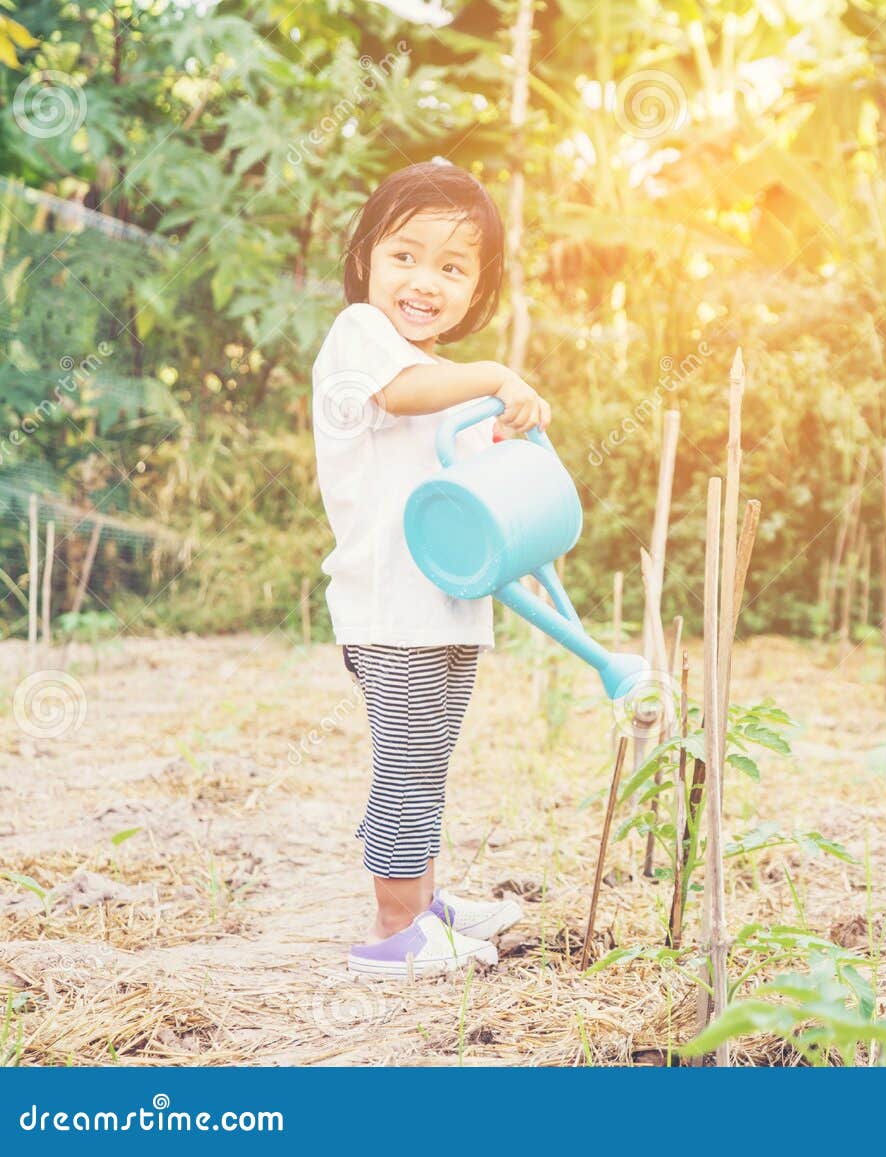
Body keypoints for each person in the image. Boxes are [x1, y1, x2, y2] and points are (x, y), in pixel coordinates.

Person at [310, 160, 551, 977]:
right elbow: (401, 396)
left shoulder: (442, 373)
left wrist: (506, 431)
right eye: (406, 256)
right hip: (390, 604)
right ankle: (393, 929)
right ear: (366, 257)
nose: (425, 282)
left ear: (478, 286)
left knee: (429, 759)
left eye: (453, 268)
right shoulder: (360, 338)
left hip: (446, 604)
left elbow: (472, 475)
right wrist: (493, 377)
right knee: (408, 764)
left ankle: (427, 901)